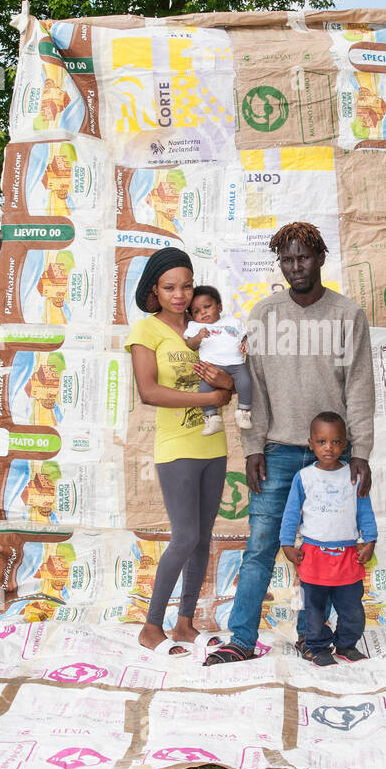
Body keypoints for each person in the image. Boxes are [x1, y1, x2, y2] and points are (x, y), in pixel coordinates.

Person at [205, 221, 375, 666]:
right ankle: (240, 639)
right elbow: (252, 386)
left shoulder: (347, 315)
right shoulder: (264, 314)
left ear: (320, 258)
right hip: (278, 451)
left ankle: (311, 636)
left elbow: (359, 386)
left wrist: (361, 453)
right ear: (280, 263)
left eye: (303, 257)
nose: (296, 267)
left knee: (323, 549)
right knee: (260, 546)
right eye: (287, 259)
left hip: (332, 459)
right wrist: (252, 447)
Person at [124, 247, 237, 657]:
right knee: (185, 535)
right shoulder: (146, 331)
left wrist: (227, 384)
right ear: (154, 289)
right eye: (170, 287)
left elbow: (229, 376)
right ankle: (151, 627)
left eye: (187, 286)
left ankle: (185, 623)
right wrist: (212, 395)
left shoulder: (204, 328)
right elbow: (149, 390)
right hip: (177, 447)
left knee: (203, 537)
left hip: (214, 443)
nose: (180, 294)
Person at [279, 412, 377, 666]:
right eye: (321, 441)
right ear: (311, 443)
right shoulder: (304, 477)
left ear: (345, 445)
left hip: (347, 555)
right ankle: (316, 646)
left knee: (352, 608)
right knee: (314, 609)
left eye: (335, 442)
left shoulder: (354, 476)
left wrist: (371, 541)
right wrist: (287, 544)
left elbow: (365, 511)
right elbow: (291, 512)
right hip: (314, 555)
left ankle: (346, 645)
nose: (328, 448)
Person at [183, 285, 252, 435]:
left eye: (207, 306)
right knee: (204, 389)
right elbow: (190, 344)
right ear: (192, 316)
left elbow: (245, 336)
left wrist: (244, 344)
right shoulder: (196, 326)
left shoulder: (233, 321)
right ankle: (212, 418)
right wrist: (199, 337)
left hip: (236, 365)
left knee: (245, 383)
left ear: (219, 307)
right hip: (211, 366)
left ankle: (244, 412)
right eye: (196, 311)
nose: (203, 312)